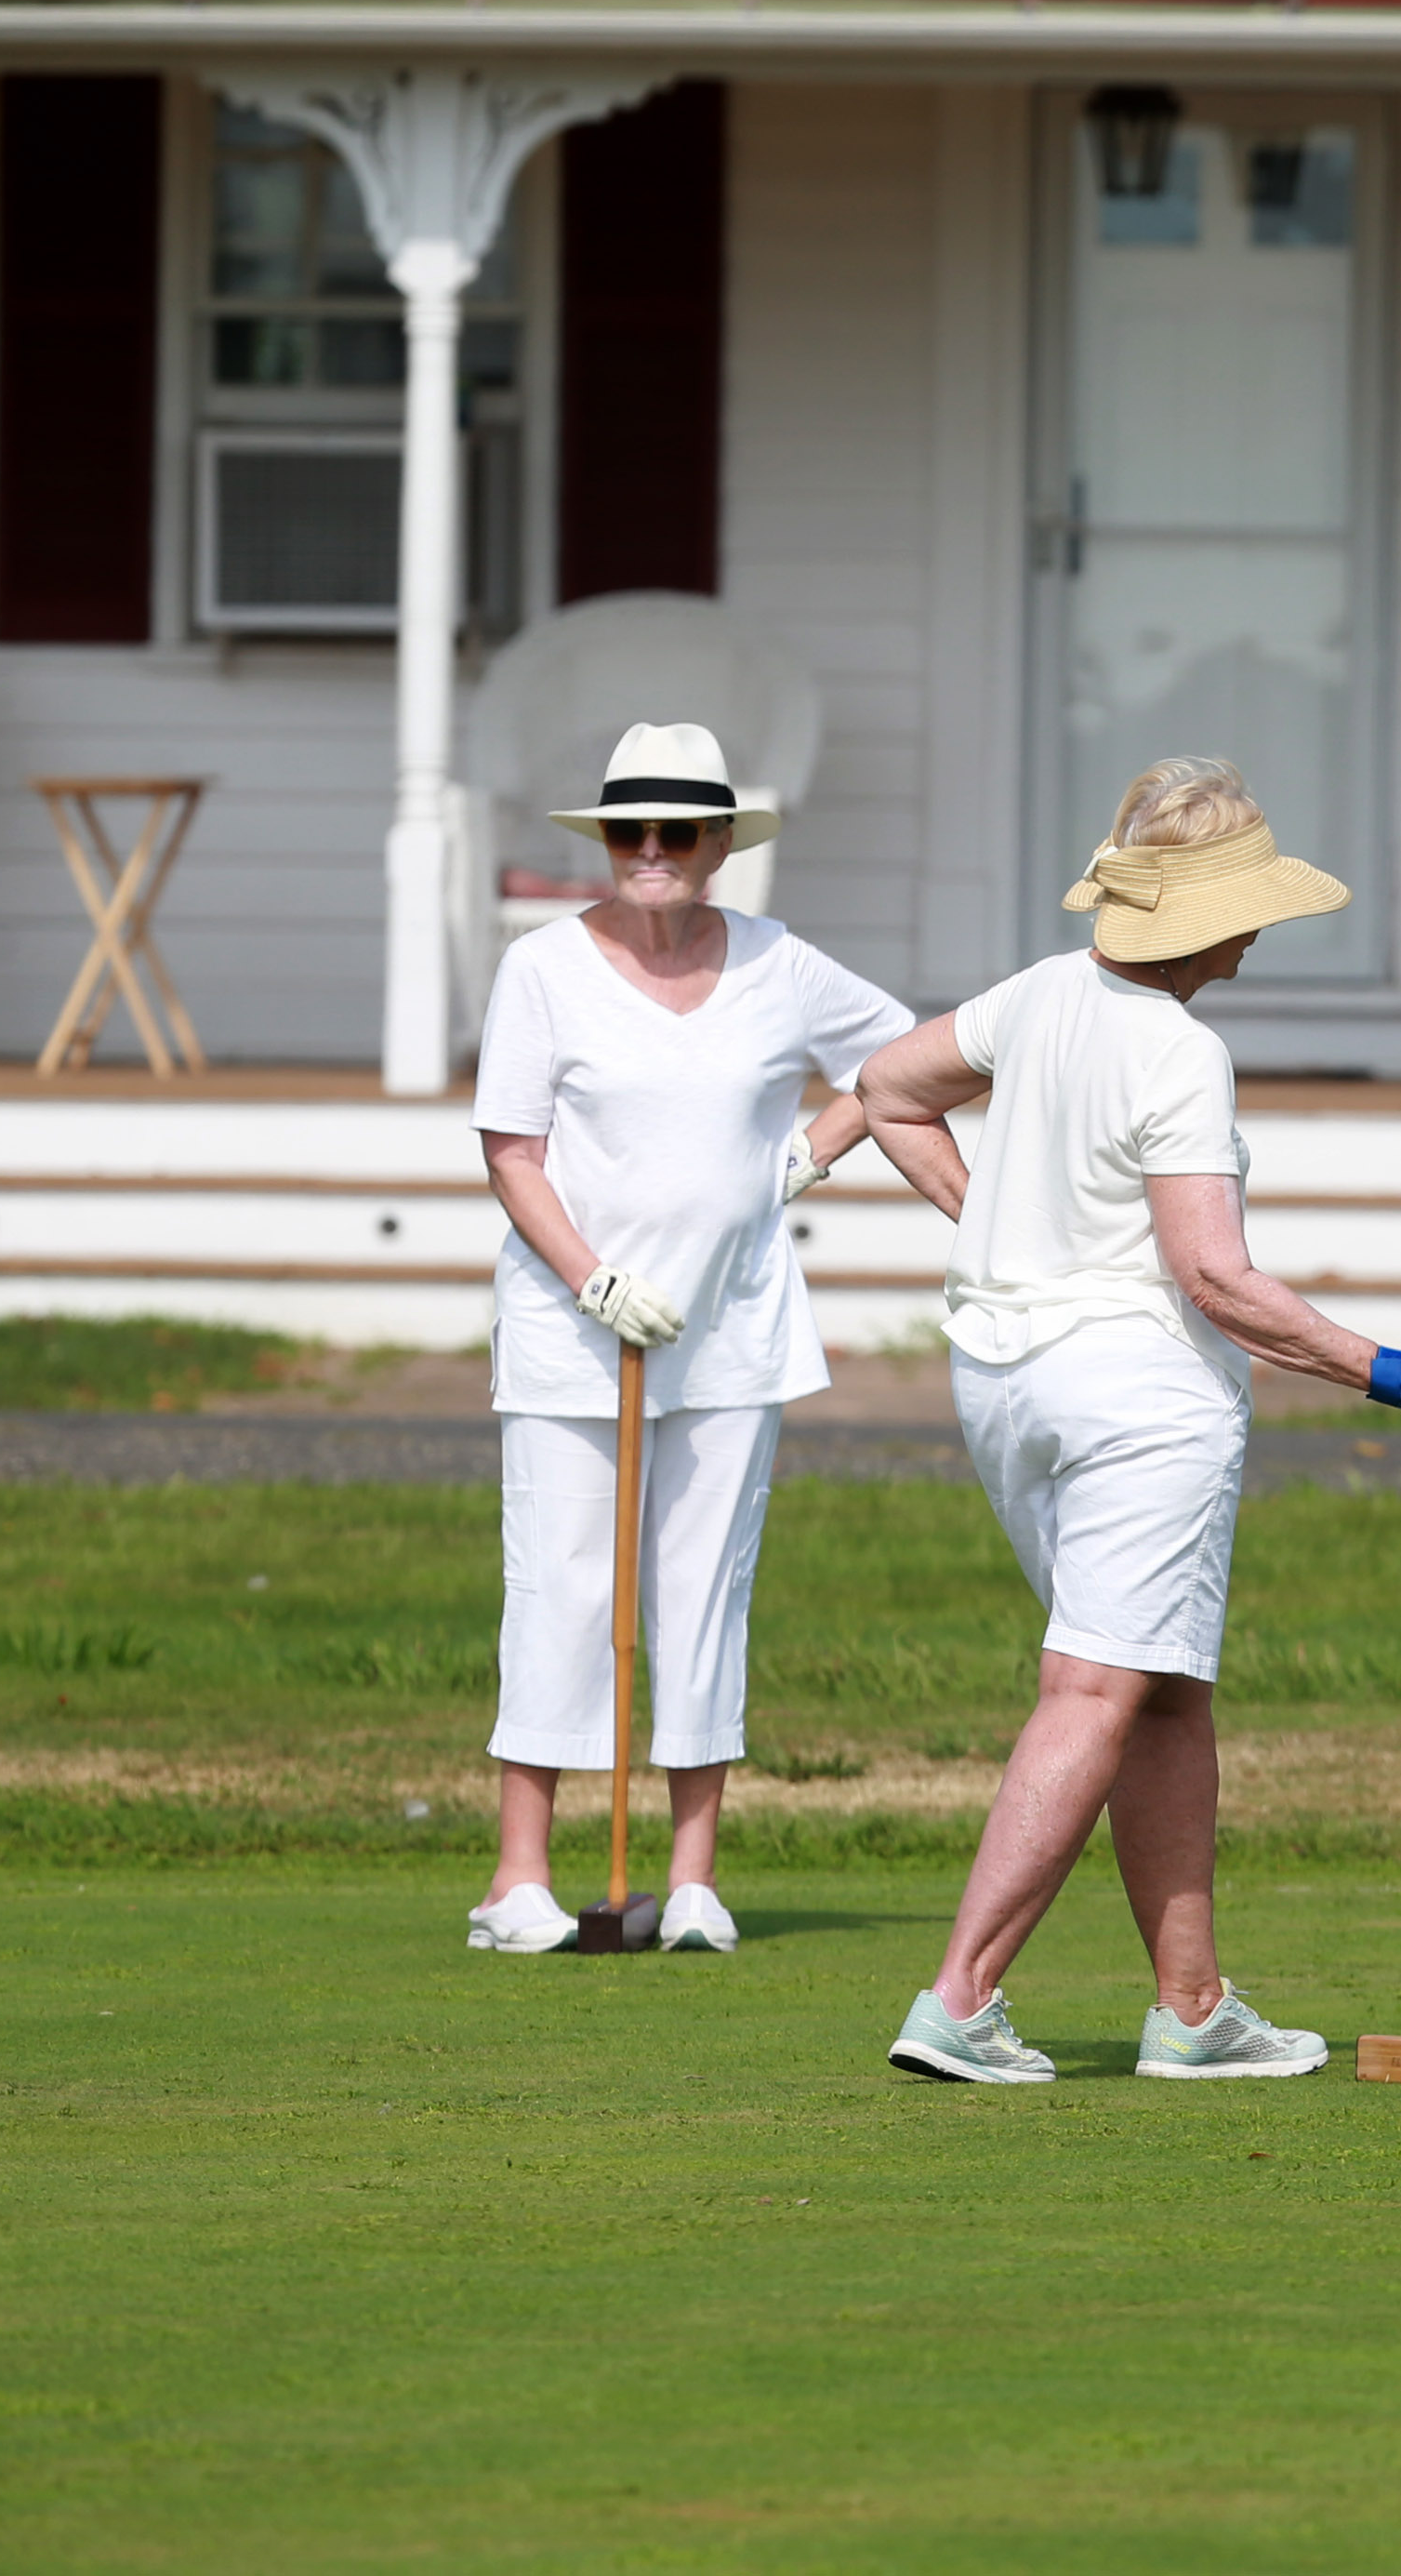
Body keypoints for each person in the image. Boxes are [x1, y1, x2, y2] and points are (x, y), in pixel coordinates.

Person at [853, 757, 1401, 2086]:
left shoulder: (1035, 993)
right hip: (1136, 1396)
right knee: (1094, 1684)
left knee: (1160, 1689)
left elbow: (884, 1089)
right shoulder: (1183, 1051)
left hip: (1004, 1382)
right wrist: (1389, 1368)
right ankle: (959, 1998)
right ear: (1201, 918)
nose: (1259, 923)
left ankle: (1191, 2008)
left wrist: (1003, 1227)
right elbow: (1212, 1278)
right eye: (1245, 900)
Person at [464, 720, 911, 1957]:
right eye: (628, 830)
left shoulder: (781, 963)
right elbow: (511, 1148)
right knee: (558, 1587)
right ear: (604, 840)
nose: (650, 850)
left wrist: (806, 1152)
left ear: (721, 844)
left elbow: (908, 1061)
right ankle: (517, 1878)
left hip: (733, 1324)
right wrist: (592, 1277)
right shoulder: (543, 965)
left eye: (677, 830)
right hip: (571, 1331)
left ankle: (695, 1877)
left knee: (702, 1590)